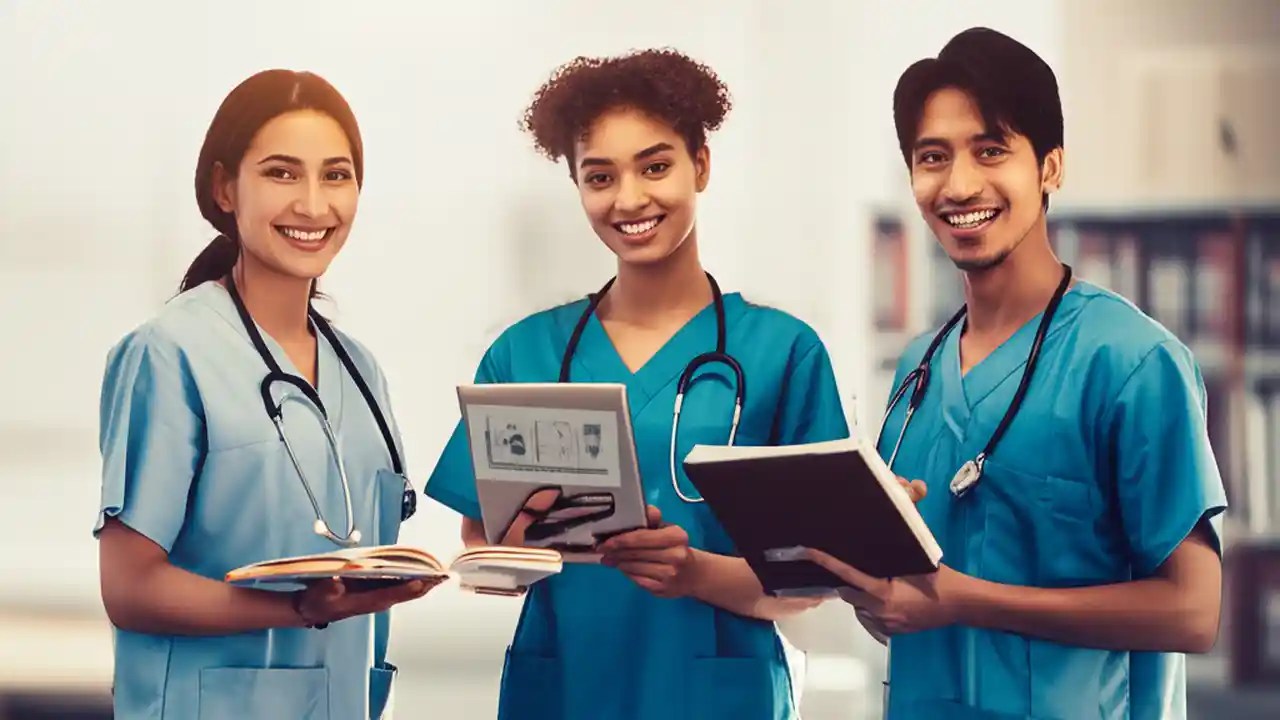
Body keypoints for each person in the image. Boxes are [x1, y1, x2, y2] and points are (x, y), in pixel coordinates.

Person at [802, 28, 1229, 719]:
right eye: (932, 157)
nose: (960, 184)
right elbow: (899, 609)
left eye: (991, 150)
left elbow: (1193, 610)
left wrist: (960, 600)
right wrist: (876, 595)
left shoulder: (1130, 361)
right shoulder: (917, 369)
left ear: (1051, 167)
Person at [424, 48, 848, 719]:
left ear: (700, 165)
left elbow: (807, 584)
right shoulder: (524, 353)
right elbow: (484, 548)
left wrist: (693, 574)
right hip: (562, 688)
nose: (629, 198)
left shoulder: (782, 353)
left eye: (655, 166)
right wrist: (520, 552)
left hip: (714, 694)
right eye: (600, 176)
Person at [94, 69, 436, 719]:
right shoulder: (170, 353)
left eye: (336, 175)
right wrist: (298, 608)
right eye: (282, 173)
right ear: (225, 188)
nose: (314, 205)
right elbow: (130, 588)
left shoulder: (358, 369)